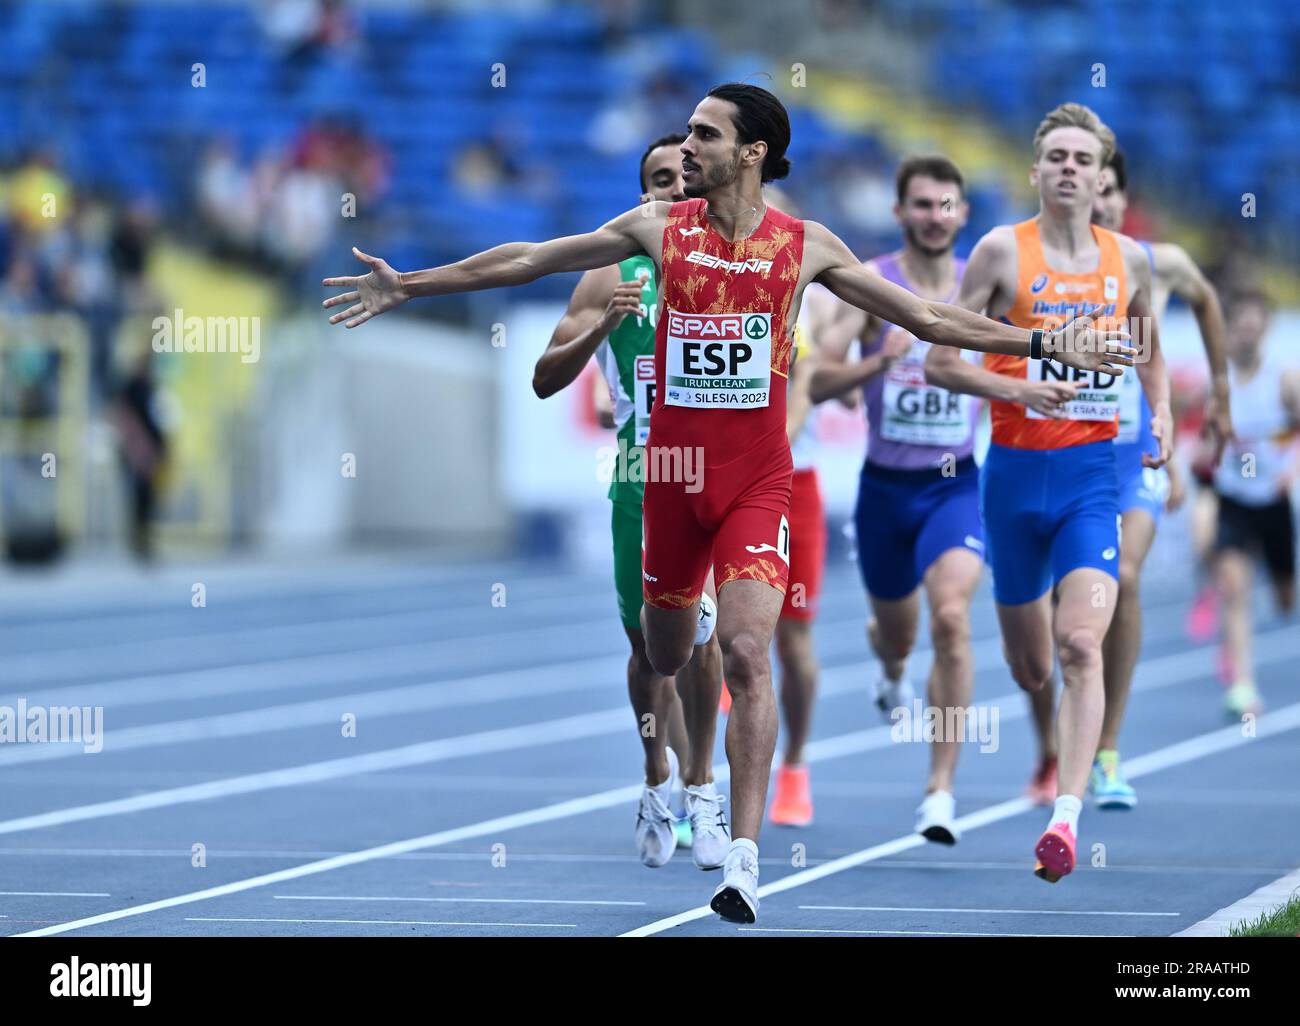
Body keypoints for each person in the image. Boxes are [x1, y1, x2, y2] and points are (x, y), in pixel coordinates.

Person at [324, 84, 1131, 920]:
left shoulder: (805, 244)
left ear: (750, 153)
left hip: (756, 480)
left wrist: (1043, 340)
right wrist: (409, 286)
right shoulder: (656, 230)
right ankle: (670, 756)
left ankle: (742, 861)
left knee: (750, 654)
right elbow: (527, 257)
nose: (685, 151)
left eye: (703, 137)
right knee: (667, 656)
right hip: (670, 478)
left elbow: (928, 316)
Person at [926, 102, 1170, 883]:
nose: (1069, 168)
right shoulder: (1002, 252)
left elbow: (1149, 348)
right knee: (1033, 667)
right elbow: (938, 362)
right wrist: (1022, 390)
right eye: (1055, 157)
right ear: (1036, 171)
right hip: (1013, 480)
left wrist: (1159, 410)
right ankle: (1051, 742)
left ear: (1103, 179)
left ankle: (1065, 820)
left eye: (1082, 159)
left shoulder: (1129, 259)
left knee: (1079, 645)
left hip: (1093, 479)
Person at [811, 156, 1024, 842]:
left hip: (954, 484)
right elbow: (818, 376)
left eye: (947, 205)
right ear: (900, 212)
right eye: (922, 204)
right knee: (900, 636)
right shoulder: (871, 284)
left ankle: (940, 790)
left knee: (954, 618)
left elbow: (1016, 351)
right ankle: (891, 665)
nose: (935, 216)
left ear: (964, 214)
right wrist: (875, 360)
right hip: (884, 492)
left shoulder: (981, 283)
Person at [531, 133, 729, 869]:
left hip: (716, 476)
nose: (675, 188)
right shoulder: (608, 272)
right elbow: (546, 378)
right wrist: (607, 325)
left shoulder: (734, 266)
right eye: (658, 179)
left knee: (711, 633)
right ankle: (658, 778)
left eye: (686, 176)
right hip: (644, 474)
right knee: (652, 653)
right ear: (643, 194)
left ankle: (705, 788)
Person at [1088, 148, 1232, 806]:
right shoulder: (1041, 263)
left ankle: (1109, 748)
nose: (1102, 203)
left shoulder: (1154, 263)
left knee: (1124, 575)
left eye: (1111, 191)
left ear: (1124, 199)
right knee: (1060, 613)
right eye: (1092, 191)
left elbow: (1206, 302)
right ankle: (1068, 725)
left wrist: (1221, 394)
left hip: (1135, 450)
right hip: (1062, 451)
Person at [1208, 291, 1300, 719]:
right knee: (1233, 587)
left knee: (1284, 596)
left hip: (1273, 498)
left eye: (1253, 324)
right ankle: (1243, 687)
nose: (1246, 332)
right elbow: (1205, 430)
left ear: (1264, 329)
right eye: (1239, 324)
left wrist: (1289, 472)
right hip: (1233, 496)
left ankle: (1282, 592)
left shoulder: (1284, 380)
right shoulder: (1217, 378)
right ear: (1229, 329)